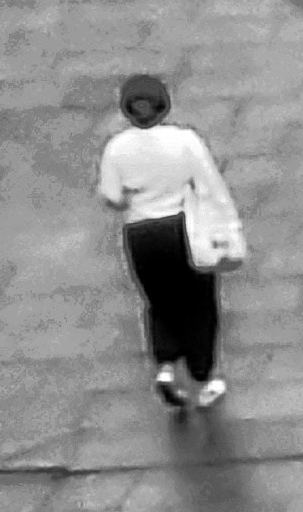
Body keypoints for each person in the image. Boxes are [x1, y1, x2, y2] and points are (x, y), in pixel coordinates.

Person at [96, 74, 245, 414]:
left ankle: (165, 366)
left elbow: (112, 196)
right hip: (183, 230)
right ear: (163, 104)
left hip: (141, 235)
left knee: (160, 301)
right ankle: (204, 377)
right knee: (199, 302)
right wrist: (227, 228)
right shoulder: (184, 141)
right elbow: (210, 184)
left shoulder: (116, 148)